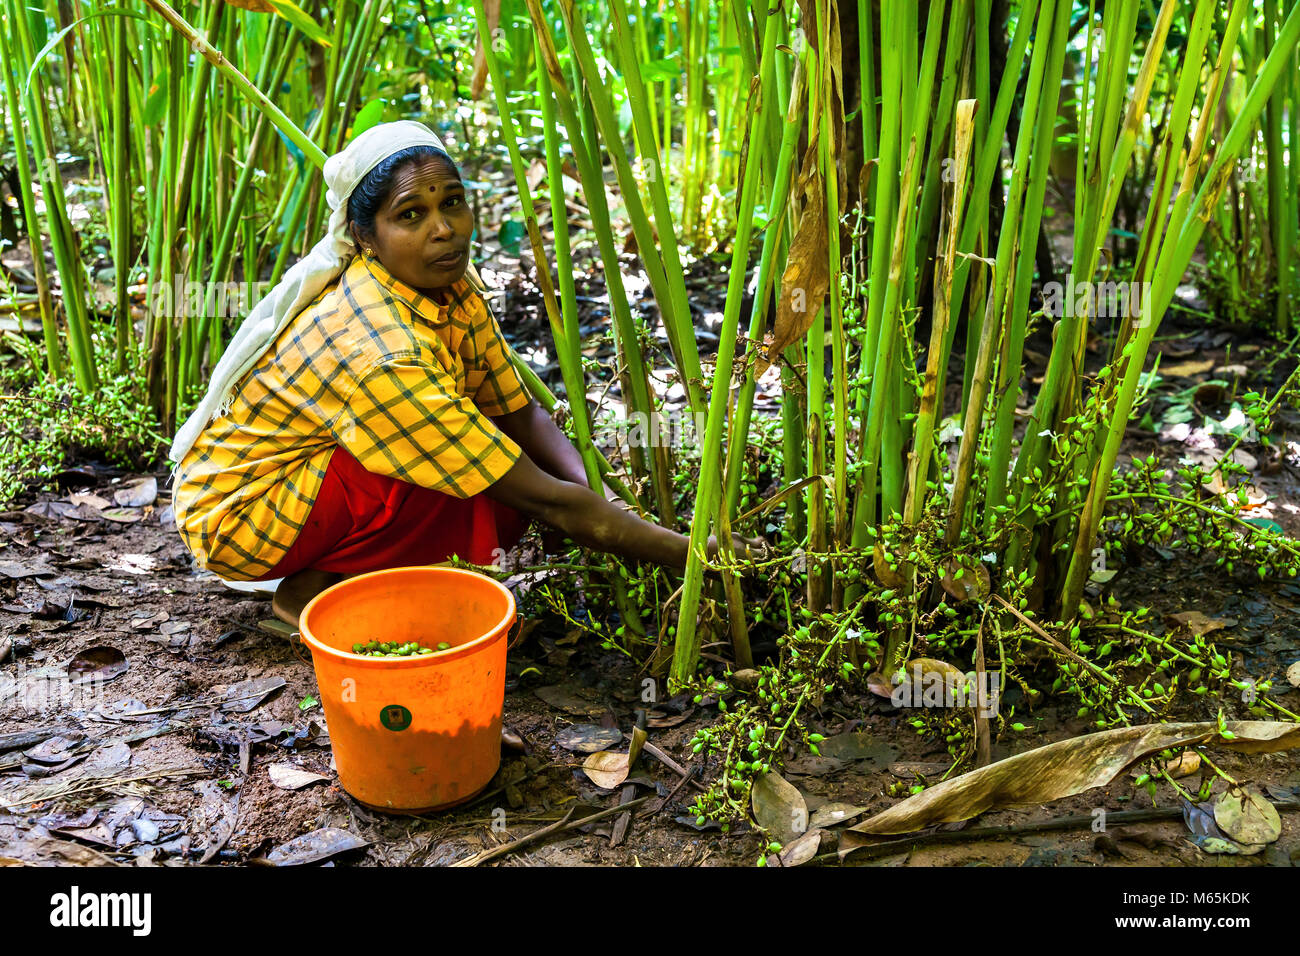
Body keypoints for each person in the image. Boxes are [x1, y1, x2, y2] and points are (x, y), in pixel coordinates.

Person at [169, 121, 762, 626]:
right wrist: (700, 555)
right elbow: (542, 496)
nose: (444, 228)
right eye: (412, 214)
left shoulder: (447, 284)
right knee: (485, 478)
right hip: (243, 514)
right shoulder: (382, 351)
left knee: (491, 464)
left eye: (451, 201)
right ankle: (315, 590)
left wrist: (606, 501)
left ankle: (348, 575)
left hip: (313, 481)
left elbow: (518, 411)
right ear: (364, 238)